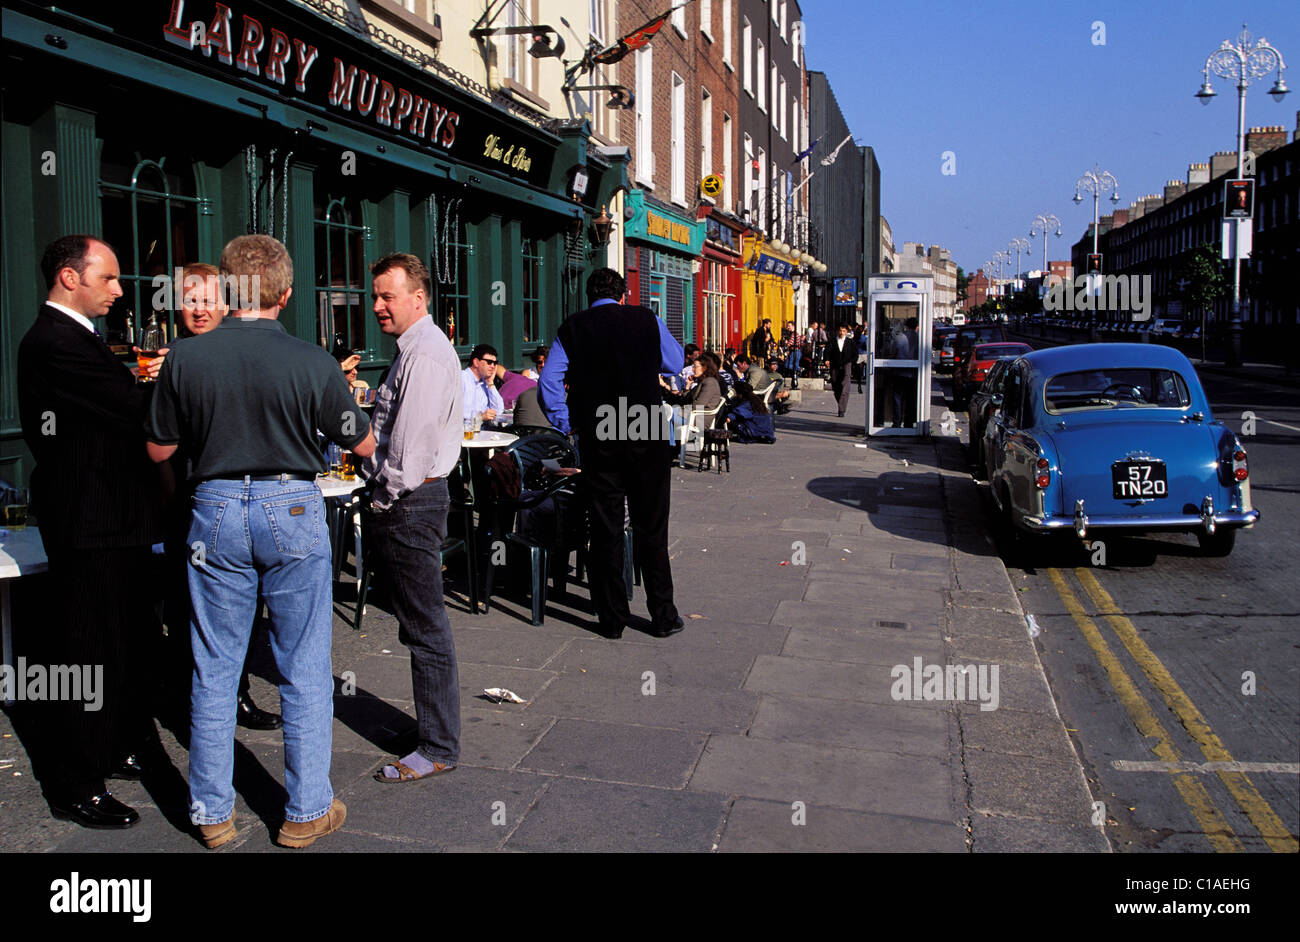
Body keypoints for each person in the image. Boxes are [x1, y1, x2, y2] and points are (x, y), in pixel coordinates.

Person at [145, 234, 375, 849]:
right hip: (292, 504)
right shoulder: (311, 360)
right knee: (302, 665)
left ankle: (212, 814)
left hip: (214, 506)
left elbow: (158, 449)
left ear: (227, 290)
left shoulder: (186, 360)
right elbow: (363, 444)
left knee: (214, 664)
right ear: (286, 291)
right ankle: (304, 811)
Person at [17, 235, 164, 830]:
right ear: (69, 278)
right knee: (89, 648)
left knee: (123, 642)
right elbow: (128, 406)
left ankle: (106, 748)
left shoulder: (80, 338)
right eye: (108, 278)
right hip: (89, 522)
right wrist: (189, 382)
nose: (120, 289)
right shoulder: (54, 342)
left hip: (114, 521)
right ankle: (75, 782)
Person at [159, 263, 282, 734]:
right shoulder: (169, 359)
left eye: (208, 299)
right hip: (183, 502)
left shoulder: (236, 353)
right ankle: (192, 702)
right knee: (186, 606)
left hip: (236, 498)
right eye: (190, 300)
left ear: (228, 305)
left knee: (245, 603)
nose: (199, 309)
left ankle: (238, 695)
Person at [361, 253, 464, 784]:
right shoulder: (418, 350)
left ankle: (438, 745)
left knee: (425, 628)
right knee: (418, 625)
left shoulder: (423, 355)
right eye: (375, 295)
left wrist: (383, 499)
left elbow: (409, 450)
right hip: (414, 500)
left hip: (411, 503)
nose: (377, 305)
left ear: (417, 299)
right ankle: (431, 728)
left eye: (387, 296)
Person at [538, 267, 684, 640]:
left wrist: (565, 420)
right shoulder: (646, 318)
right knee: (652, 527)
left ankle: (612, 618)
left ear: (589, 297)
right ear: (623, 295)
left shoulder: (573, 326)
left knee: (605, 528)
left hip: (600, 432)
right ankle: (663, 616)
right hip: (646, 429)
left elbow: (549, 382)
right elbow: (676, 362)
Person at [660, 349, 724, 421]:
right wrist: (688, 386)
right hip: (692, 415)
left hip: (698, 419)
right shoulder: (703, 382)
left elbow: (698, 405)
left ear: (704, 368)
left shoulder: (710, 382)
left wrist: (678, 409)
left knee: (664, 412)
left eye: (695, 367)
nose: (693, 370)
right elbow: (687, 398)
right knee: (664, 409)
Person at [461, 343, 503, 424]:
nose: (493, 366)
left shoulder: (485, 382)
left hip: (484, 431)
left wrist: (490, 383)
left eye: (495, 363)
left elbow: (498, 411)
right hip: (465, 433)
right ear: (476, 362)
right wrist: (481, 417)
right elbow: (460, 418)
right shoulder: (462, 379)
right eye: (489, 362)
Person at [826, 322, 857, 417]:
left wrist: (851, 363)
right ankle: (840, 402)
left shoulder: (850, 342)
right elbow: (827, 352)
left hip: (846, 364)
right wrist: (827, 360)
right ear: (837, 331)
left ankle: (841, 409)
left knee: (845, 386)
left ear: (846, 332)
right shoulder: (832, 341)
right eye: (840, 330)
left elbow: (855, 354)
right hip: (835, 365)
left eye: (843, 331)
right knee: (836, 386)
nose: (841, 332)